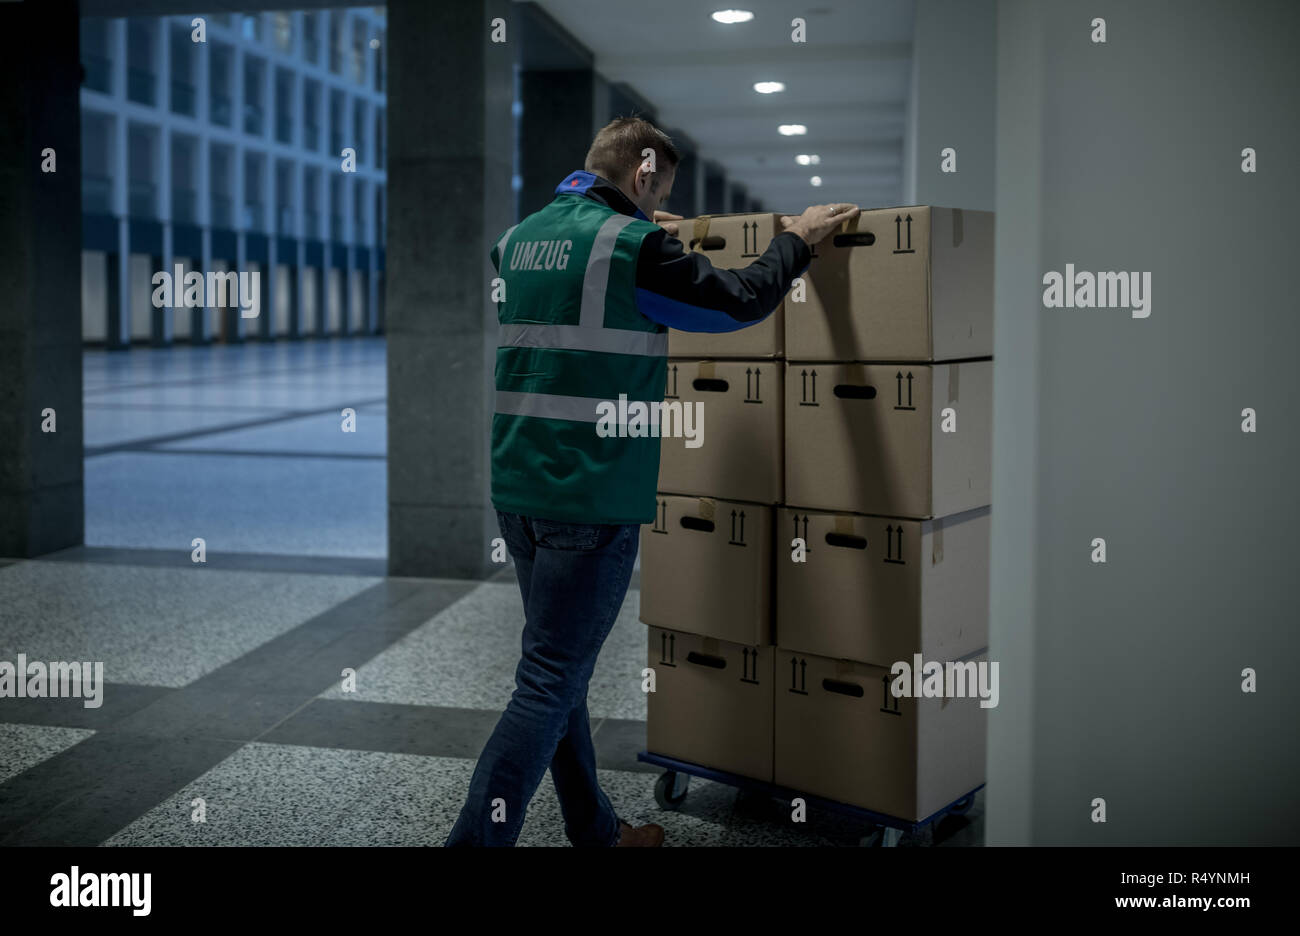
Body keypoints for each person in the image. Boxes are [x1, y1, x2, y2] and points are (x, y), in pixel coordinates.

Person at [445, 116, 860, 847]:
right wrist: (798, 240)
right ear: (642, 175)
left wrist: (648, 234)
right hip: (591, 492)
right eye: (660, 186)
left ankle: (596, 832)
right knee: (547, 681)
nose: (661, 198)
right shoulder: (630, 246)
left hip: (519, 484)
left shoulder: (517, 241)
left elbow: (582, 298)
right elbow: (740, 301)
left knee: (555, 667)